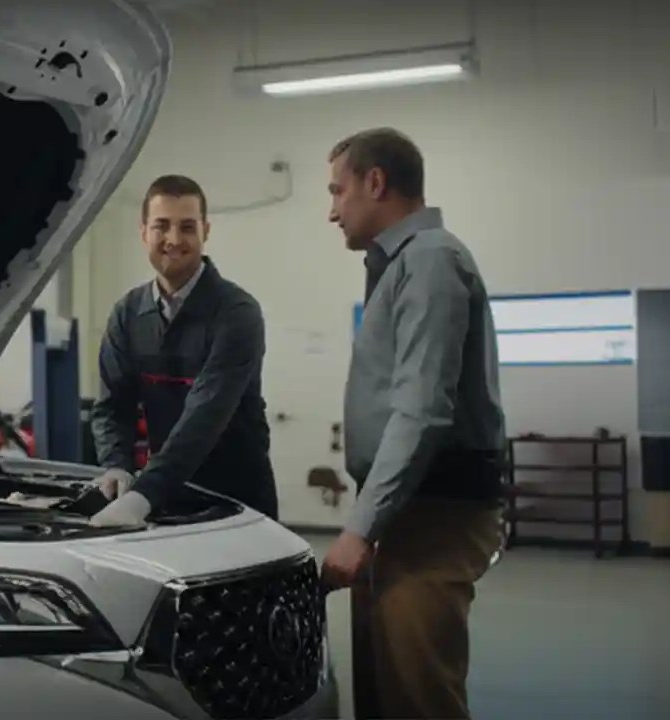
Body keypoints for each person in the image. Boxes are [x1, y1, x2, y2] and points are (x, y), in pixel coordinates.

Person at [318, 127, 506, 719]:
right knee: (383, 693)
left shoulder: (430, 261)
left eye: (337, 191)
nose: (332, 211)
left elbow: (423, 408)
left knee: (418, 698)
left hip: (432, 516)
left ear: (376, 182)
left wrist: (361, 527)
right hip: (403, 513)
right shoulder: (399, 265)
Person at [88, 174, 278, 527]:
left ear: (206, 231)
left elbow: (205, 416)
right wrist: (116, 465)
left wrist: (142, 496)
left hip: (238, 503)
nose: (174, 240)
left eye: (187, 227)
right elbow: (113, 406)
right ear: (143, 231)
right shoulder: (128, 314)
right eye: (162, 226)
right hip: (167, 498)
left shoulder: (237, 313)